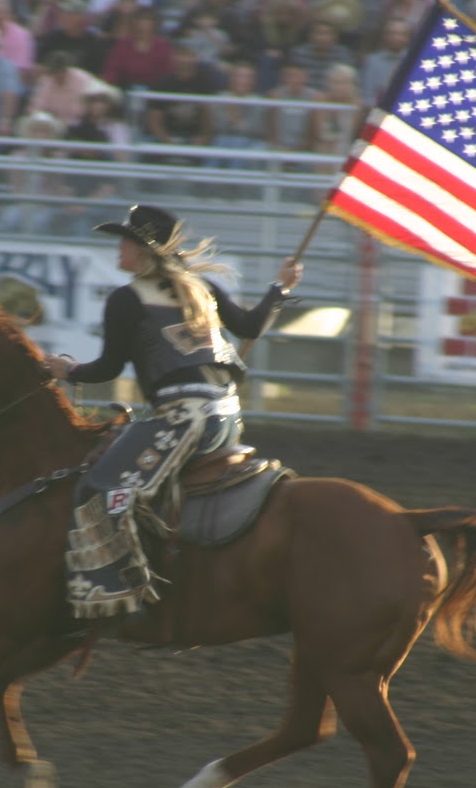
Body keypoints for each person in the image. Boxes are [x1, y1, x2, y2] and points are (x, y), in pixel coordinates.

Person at [43, 204, 303, 619]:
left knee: (102, 484)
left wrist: (67, 369)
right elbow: (251, 326)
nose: (118, 250)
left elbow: (108, 368)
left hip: (185, 419)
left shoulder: (127, 300)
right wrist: (280, 288)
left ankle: (117, 591)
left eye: (126, 241)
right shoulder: (201, 288)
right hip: (227, 419)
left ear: (145, 250)